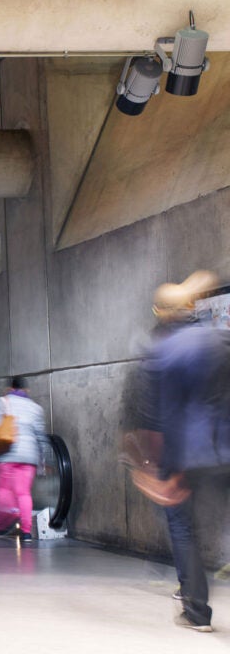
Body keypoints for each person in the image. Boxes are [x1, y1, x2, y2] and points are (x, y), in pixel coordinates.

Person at [135, 270, 223, 633]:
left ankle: (197, 612)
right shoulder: (221, 338)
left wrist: (155, 466)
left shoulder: (162, 350)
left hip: (186, 453)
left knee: (182, 527)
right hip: (226, 448)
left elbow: (157, 415)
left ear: (162, 313)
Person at [0, 376, 47, 542]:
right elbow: (41, 437)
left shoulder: (2, 402)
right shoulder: (36, 408)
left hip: (6, 453)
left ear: (10, 388)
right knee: (24, 493)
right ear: (26, 390)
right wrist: (43, 460)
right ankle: (26, 532)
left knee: (3, 490)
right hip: (29, 457)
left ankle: (0, 526)